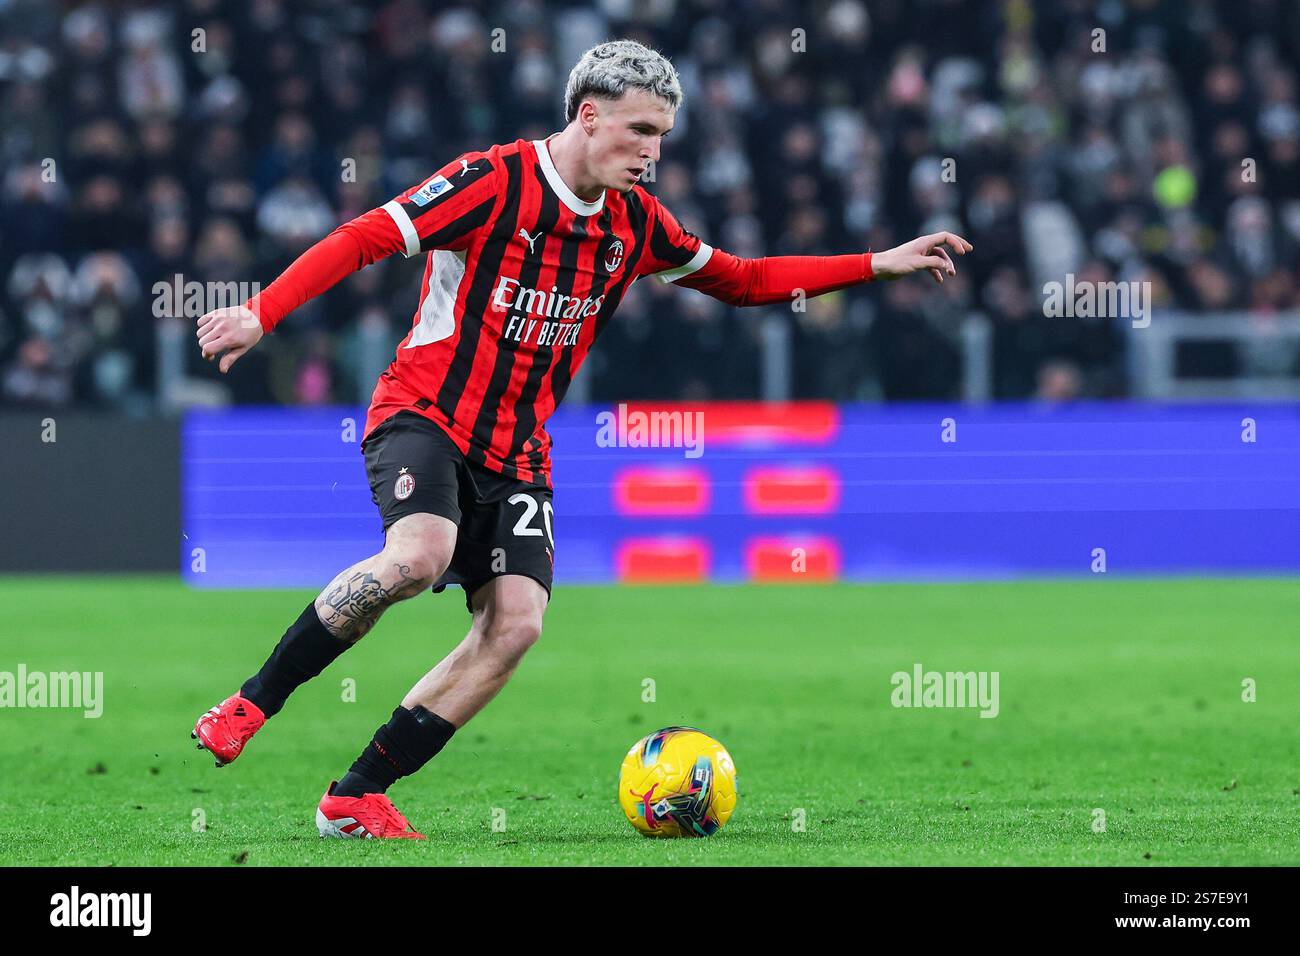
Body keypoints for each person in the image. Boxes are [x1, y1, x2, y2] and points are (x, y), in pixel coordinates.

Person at [191, 39, 972, 839]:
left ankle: (355, 795)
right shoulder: (492, 183)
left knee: (517, 625)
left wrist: (876, 263)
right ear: (588, 116)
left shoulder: (635, 223)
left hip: (520, 448)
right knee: (417, 555)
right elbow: (365, 238)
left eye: (662, 135)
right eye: (639, 131)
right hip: (424, 412)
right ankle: (252, 702)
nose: (652, 153)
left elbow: (739, 280)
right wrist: (264, 310)